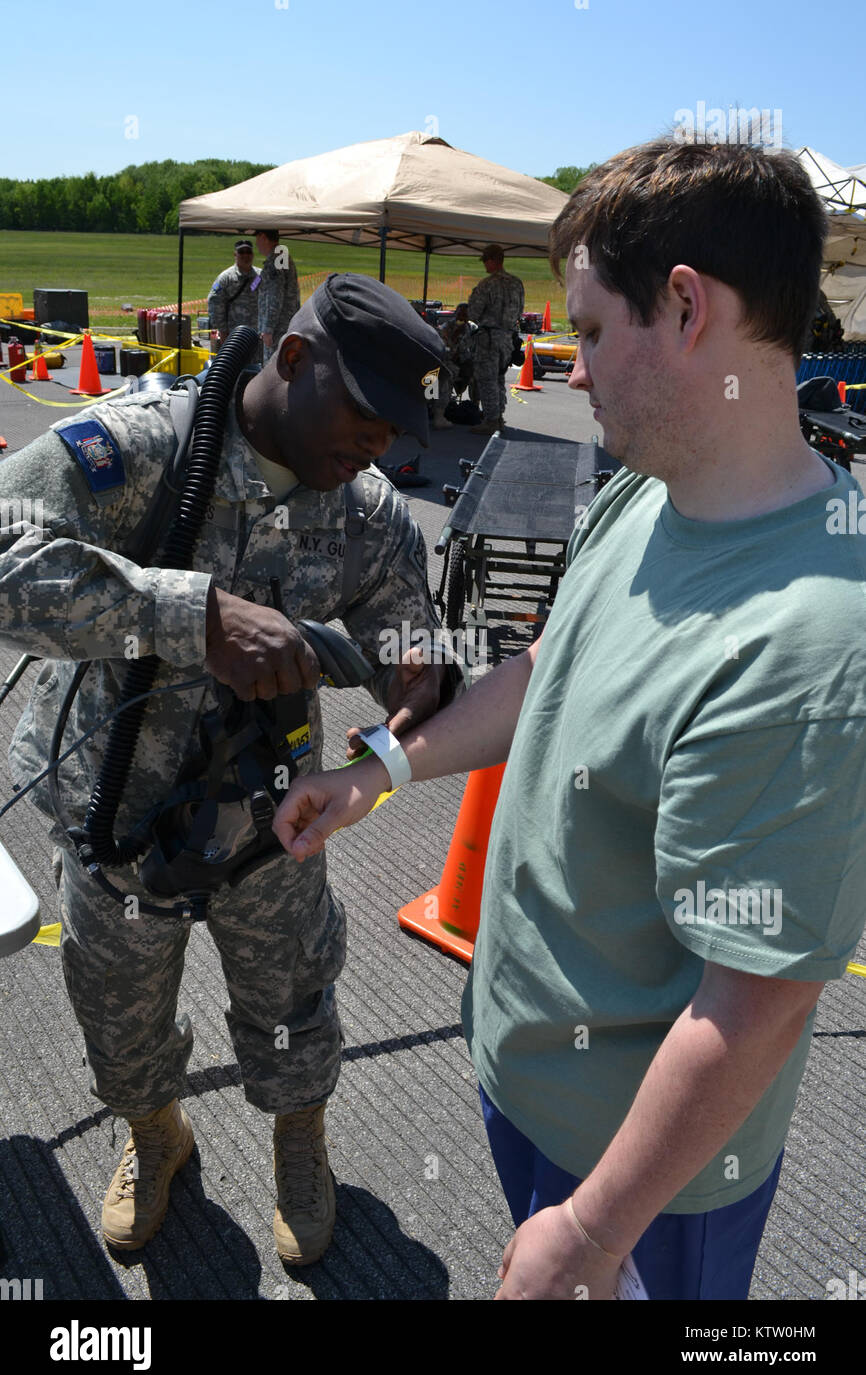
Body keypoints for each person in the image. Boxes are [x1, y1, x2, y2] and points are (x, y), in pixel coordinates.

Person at [272, 140, 866, 1300]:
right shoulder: (647, 488)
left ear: (686, 308)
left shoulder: (807, 645)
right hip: (529, 1082)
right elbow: (550, 665)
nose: (573, 371)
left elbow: (751, 1002)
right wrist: (383, 767)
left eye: (589, 332)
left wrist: (593, 1231)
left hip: (645, 1175)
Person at [0, 273, 455, 1267]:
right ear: (292, 361)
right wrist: (188, 614)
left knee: (292, 998)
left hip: (268, 821)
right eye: (365, 414)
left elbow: (401, 620)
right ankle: (155, 1130)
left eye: (395, 427)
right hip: (117, 816)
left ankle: (301, 1141)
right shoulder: (138, 448)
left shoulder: (365, 508)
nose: (380, 444)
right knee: (117, 1009)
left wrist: (417, 678)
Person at [467, 245, 524, 435]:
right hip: (507, 339)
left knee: (487, 379)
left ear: (493, 260)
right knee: (499, 378)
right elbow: (520, 311)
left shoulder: (486, 285)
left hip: (489, 338)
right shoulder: (517, 283)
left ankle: (491, 420)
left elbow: (473, 313)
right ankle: (498, 417)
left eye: (485, 260)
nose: (484, 264)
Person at [255, 230, 300, 363]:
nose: (256, 244)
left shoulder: (276, 260)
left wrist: (268, 329)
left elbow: (275, 296)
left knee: (273, 368)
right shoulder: (281, 256)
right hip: (285, 325)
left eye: (257, 239)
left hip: (278, 329)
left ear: (263, 237)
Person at [207, 239, 259, 349]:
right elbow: (214, 301)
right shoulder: (225, 278)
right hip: (233, 335)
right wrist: (222, 331)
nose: (245, 255)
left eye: (248, 252)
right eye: (241, 252)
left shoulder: (259, 276)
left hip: (256, 334)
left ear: (253, 254)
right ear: (235, 254)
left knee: (256, 365)